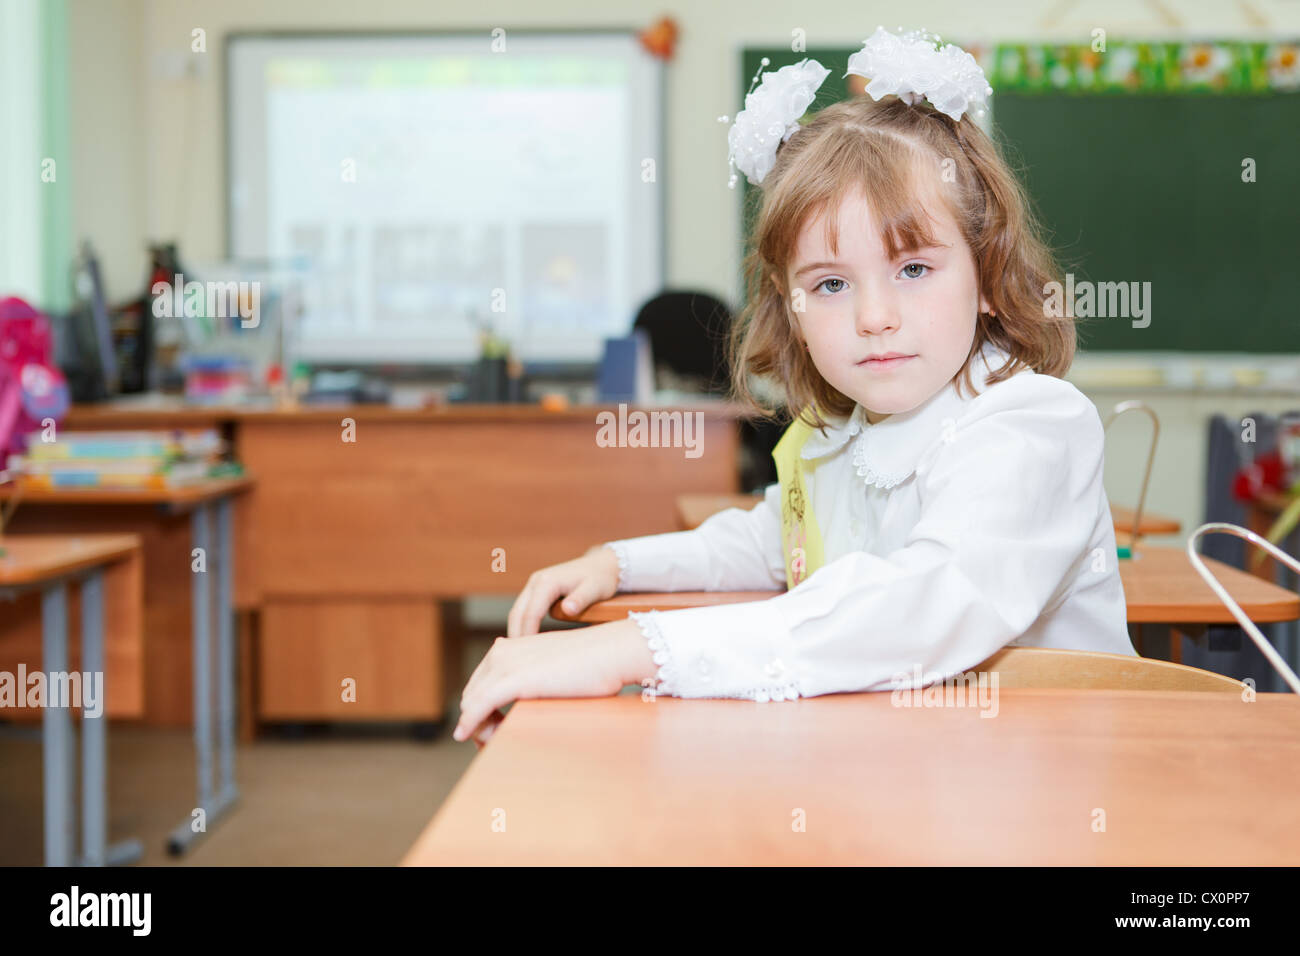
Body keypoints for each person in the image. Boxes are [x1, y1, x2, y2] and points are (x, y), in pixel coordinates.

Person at [454, 27, 1133, 746]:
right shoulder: (846, 428)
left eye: (913, 270)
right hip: (901, 756)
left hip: (1040, 786)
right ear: (793, 307)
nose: (875, 317)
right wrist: (620, 563)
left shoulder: (1031, 424)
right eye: (832, 284)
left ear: (990, 277)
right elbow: (774, 540)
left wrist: (634, 647)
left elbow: (916, 606)